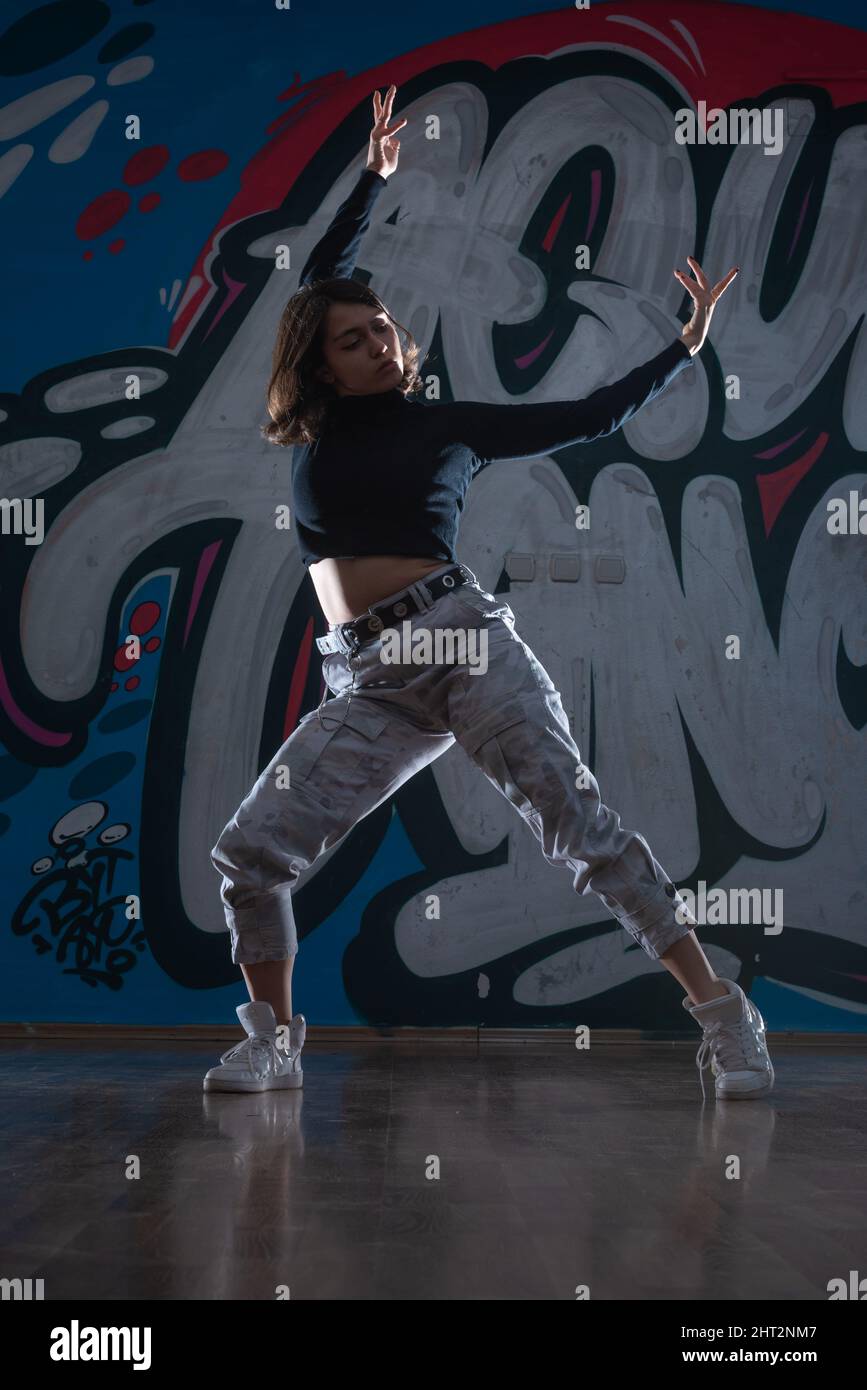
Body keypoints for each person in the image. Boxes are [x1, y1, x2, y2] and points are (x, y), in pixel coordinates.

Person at [207, 85, 774, 1102]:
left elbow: (590, 413)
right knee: (252, 851)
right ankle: (274, 1038)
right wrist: (371, 182)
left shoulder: (448, 427)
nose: (379, 342)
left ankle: (726, 1018)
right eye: (355, 340)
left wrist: (681, 348)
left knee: (577, 829)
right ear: (321, 367)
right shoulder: (322, 428)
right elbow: (319, 280)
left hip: (460, 646)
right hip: (370, 679)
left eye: (382, 331)